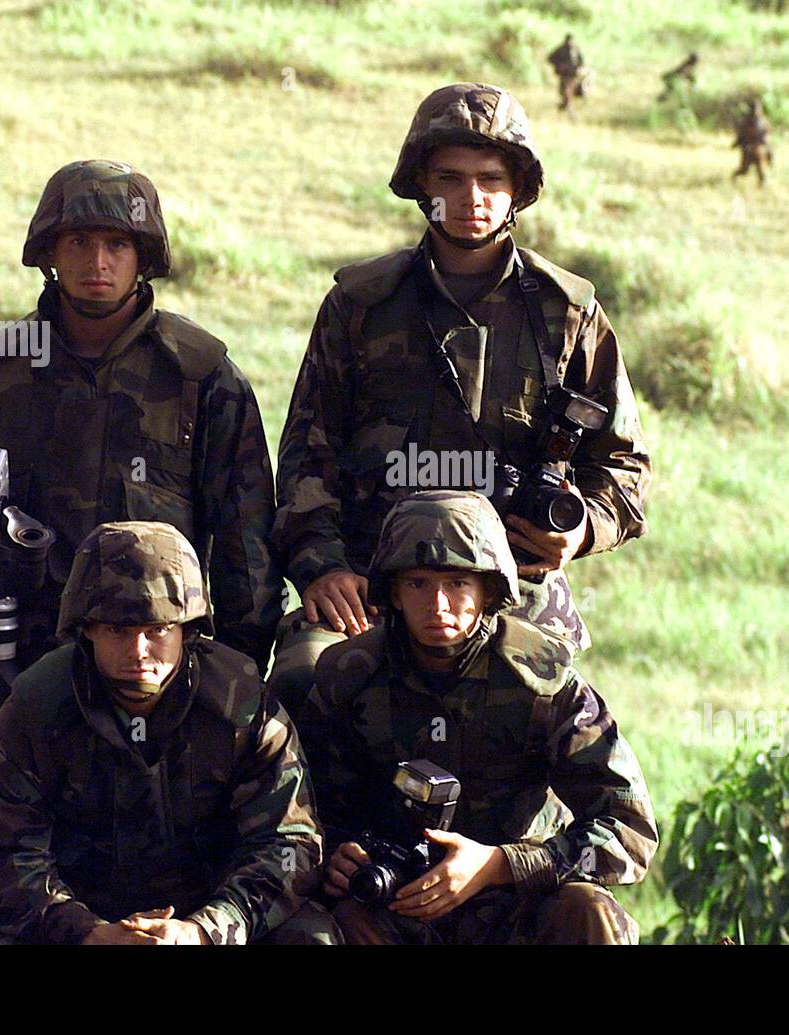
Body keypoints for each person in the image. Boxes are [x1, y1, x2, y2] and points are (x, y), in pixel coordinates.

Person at [269, 83, 651, 714]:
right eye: (450, 177)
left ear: (516, 191)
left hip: (514, 590)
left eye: (490, 179)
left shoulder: (568, 313)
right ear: (422, 186)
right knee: (305, 686)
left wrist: (581, 529)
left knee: (548, 715)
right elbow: (309, 459)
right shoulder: (360, 306)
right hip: (372, 586)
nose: (470, 198)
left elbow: (624, 467)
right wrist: (324, 567)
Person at [0, 159, 284, 750]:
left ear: (144, 257)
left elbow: (247, 544)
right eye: (79, 242)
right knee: (11, 838)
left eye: (116, 243)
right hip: (16, 665)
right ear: (50, 252)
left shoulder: (200, 375)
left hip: (157, 671)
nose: (98, 262)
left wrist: (236, 676)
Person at [299, 490, 658, 945]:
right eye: (418, 584)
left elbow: (630, 831)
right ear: (391, 590)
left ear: (489, 589)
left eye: (457, 584)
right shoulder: (349, 677)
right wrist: (333, 854)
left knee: (588, 912)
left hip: (514, 902)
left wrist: (499, 866)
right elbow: (293, 816)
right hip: (394, 902)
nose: (439, 605)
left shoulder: (542, 680)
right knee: (321, 927)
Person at [0, 521, 338, 945]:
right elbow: (0, 856)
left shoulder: (242, 704)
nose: (139, 653)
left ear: (187, 630)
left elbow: (289, 846)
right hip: (81, 926)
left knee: (311, 937)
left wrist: (204, 930)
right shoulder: (35, 708)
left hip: (211, 919)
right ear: (86, 629)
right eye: (117, 631)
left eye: (157, 630)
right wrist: (89, 933)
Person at [731, 98, 772, 186]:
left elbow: (767, 134)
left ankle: (762, 185)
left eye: (758, 109)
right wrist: (739, 143)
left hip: (759, 148)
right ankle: (734, 177)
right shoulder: (745, 122)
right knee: (744, 170)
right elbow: (741, 135)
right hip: (748, 148)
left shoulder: (764, 122)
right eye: (754, 109)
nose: (756, 111)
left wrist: (764, 141)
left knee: (761, 169)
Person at [547, 33, 588, 112]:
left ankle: (568, 106)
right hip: (565, 75)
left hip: (574, 75)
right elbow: (550, 58)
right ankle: (566, 107)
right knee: (565, 93)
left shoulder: (576, 50)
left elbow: (581, 61)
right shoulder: (561, 49)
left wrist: (580, 68)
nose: (571, 42)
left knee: (574, 91)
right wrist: (559, 66)